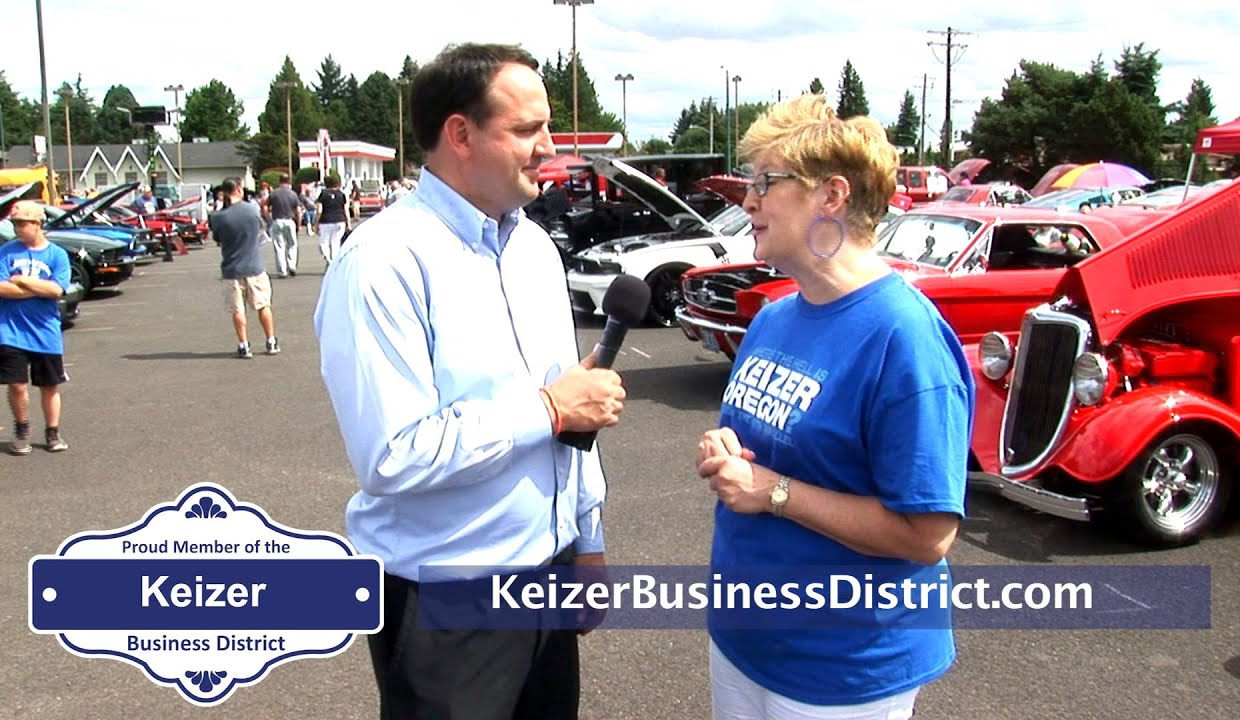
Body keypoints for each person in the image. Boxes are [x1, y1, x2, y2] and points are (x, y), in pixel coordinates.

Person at [314, 42, 625, 720]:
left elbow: (572, 413)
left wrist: (587, 540)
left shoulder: (535, 248)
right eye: (525, 130)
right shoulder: (381, 262)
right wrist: (543, 409)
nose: (548, 147)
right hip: (445, 604)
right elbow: (392, 455)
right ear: (460, 134)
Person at [694, 95, 974, 719]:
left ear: (832, 196)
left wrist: (772, 491)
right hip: (745, 639)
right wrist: (725, 453)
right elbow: (756, 445)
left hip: (843, 666)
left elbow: (929, 535)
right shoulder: (773, 318)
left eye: (765, 182)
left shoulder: (904, 338)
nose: (747, 202)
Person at [0, 201, 72, 454]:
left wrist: (21, 281)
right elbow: (1, 288)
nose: (17, 228)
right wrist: (38, 289)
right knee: (17, 384)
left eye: (22, 224)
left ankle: (52, 432)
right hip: (9, 330)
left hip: (45, 331)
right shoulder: (5, 252)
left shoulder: (57, 255)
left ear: (37, 224)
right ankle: (22, 428)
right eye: (14, 224)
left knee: (49, 385)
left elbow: (56, 289)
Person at [210, 177, 279, 358]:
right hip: (254, 265)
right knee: (263, 305)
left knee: (237, 310)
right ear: (239, 189)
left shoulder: (218, 217)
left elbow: (217, 239)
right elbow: (262, 230)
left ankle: (243, 344)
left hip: (231, 268)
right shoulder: (252, 210)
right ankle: (271, 340)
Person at [266, 174, 303, 278]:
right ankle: (291, 265)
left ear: (280, 181)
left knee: (279, 246)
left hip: (277, 220)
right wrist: (299, 224)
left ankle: (282, 271)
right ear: (289, 181)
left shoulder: (273, 193)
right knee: (292, 244)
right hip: (289, 220)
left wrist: (269, 220)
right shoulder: (293, 194)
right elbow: (298, 211)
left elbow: (264, 206)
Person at [314, 175, 350, 267]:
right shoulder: (341, 194)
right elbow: (346, 210)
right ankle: (335, 261)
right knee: (336, 242)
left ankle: (328, 258)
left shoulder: (323, 194)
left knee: (324, 242)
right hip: (339, 220)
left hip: (325, 221)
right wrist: (348, 223)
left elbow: (319, 210)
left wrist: (316, 223)